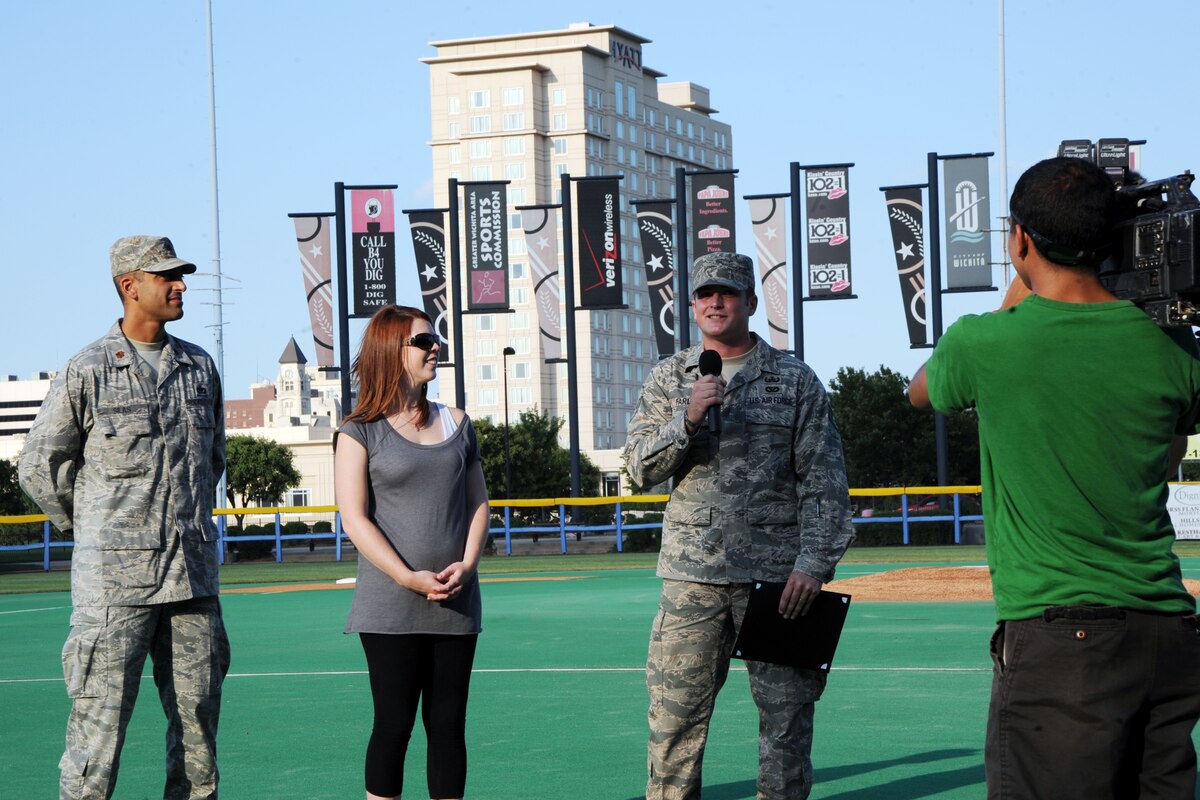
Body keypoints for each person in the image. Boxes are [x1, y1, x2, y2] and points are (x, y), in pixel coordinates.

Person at [908, 156, 1200, 799]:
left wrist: (1019, 287)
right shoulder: (1175, 347)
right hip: (1167, 634)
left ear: (1020, 239)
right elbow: (1170, 446)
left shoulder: (986, 342)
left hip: (1064, 640)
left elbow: (921, 392)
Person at [623, 252, 855, 800]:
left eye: (727, 292)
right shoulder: (670, 378)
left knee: (787, 721)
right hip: (692, 579)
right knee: (674, 721)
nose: (715, 302)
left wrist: (813, 566)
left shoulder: (794, 380)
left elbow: (824, 481)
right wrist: (687, 419)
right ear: (692, 306)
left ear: (750, 302)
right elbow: (637, 469)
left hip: (779, 583)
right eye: (705, 294)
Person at [19, 235, 230, 800]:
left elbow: (212, 461)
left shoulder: (199, 367)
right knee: (97, 738)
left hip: (192, 579)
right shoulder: (88, 369)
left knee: (198, 741)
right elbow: (39, 466)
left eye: (181, 276)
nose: (180, 285)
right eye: (167, 277)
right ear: (129, 285)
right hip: (115, 588)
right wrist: (95, 529)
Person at [333, 305, 489, 800]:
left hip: (456, 600)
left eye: (434, 338)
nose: (435, 347)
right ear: (391, 351)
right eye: (423, 341)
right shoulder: (359, 430)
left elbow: (478, 503)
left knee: (448, 724)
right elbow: (355, 518)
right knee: (393, 723)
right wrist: (406, 577)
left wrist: (468, 565)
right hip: (389, 606)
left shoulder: (458, 422)